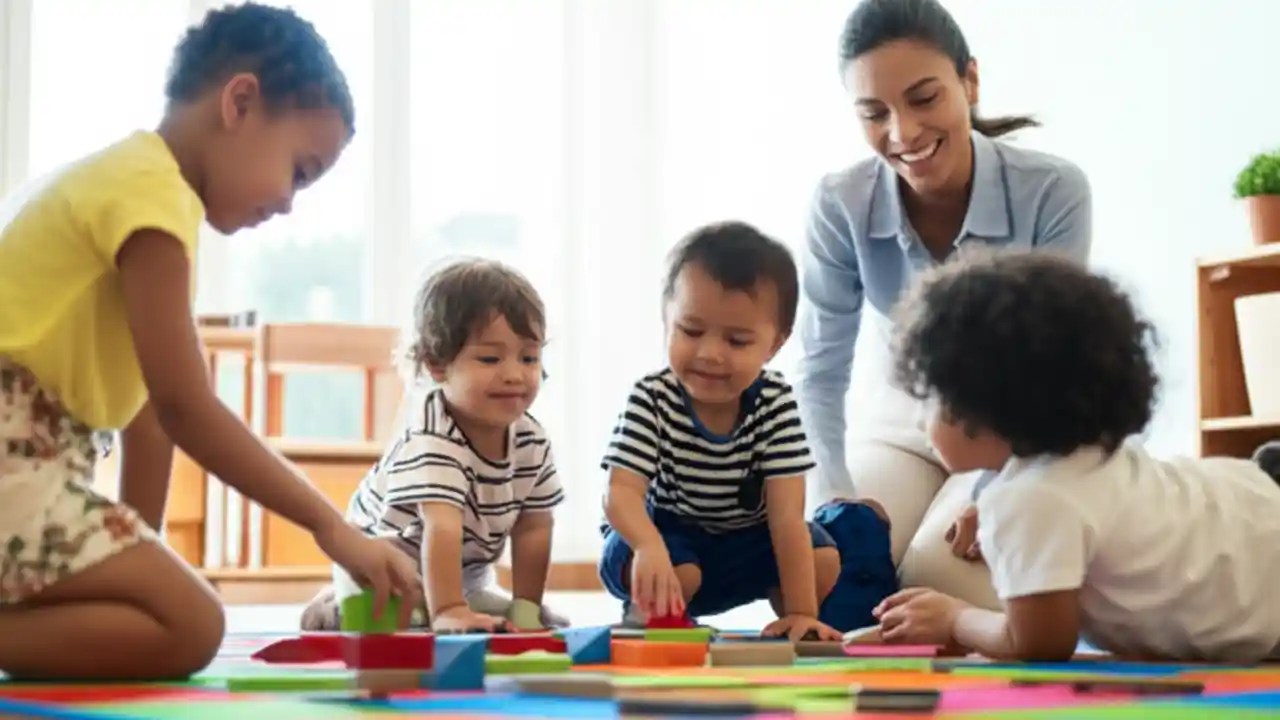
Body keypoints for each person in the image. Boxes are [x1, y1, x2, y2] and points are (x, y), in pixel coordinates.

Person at [0, 3, 421, 680]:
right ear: (241, 102)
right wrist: (335, 531)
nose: (288, 202)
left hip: (29, 466)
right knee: (192, 624)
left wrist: (141, 554)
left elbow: (148, 418)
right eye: (300, 171)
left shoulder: (130, 189)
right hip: (12, 465)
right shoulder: (150, 193)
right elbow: (186, 408)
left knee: (167, 607)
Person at [793, 0, 1093, 611]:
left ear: (969, 81)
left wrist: (995, 490)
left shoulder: (1053, 191)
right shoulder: (839, 203)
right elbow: (819, 373)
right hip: (903, 428)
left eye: (924, 98)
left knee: (938, 580)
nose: (902, 133)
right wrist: (832, 499)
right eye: (874, 113)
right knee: (830, 583)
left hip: (1015, 433)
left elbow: (1049, 371)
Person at [873, 250, 1280, 662]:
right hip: (1254, 503)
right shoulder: (1087, 457)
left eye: (931, 399)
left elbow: (1037, 642)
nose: (922, 419)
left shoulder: (1030, 499)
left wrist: (956, 617)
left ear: (981, 406)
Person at [599, 221, 883, 642]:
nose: (710, 354)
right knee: (680, 569)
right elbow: (619, 493)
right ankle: (654, 613)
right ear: (666, 321)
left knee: (820, 556)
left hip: (743, 543)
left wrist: (803, 612)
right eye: (691, 331)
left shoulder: (774, 403)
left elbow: (786, 516)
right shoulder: (652, 397)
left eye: (736, 341)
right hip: (665, 542)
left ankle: (783, 614)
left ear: (774, 345)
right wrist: (647, 546)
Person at [300, 259, 568, 633]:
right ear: (438, 365)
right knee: (400, 623)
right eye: (490, 358)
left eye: (529, 357)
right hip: (383, 568)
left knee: (513, 618)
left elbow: (535, 527)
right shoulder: (434, 439)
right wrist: (449, 610)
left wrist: (526, 608)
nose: (514, 374)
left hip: (460, 576)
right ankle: (334, 604)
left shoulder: (532, 441)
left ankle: (444, 606)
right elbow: (441, 527)